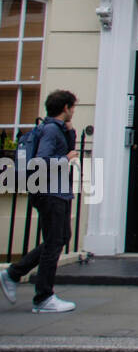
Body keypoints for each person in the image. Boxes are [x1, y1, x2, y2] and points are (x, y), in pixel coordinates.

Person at [1, 90, 79, 312]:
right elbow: (40, 162)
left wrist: (71, 133)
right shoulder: (51, 131)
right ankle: (43, 298)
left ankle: (12, 274)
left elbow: (68, 148)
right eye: (73, 107)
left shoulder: (57, 130)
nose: (74, 111)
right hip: (50, 193)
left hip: (56, 192)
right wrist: (64, 159)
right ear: (65, 107)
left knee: (61, 238)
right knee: (54, 242)